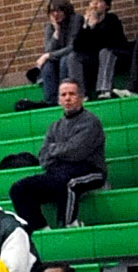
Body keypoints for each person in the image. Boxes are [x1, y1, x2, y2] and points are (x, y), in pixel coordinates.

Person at [8, 80, 106, 231]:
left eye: (72, 94)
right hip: (58, 173)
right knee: (18, 189)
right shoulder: (54, 127)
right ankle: (41, 229)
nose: (67, 98)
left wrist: (54, 149)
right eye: (63, 95)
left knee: (68, 182)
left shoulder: (91, 122)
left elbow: (77, 152)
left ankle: (69, 225)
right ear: (59, 100)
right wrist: (63, 150)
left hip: (90, 171)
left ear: (81, 97)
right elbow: (43, 158)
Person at [68, 0, 129, 101]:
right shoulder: (86, 23)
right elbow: (77, 47)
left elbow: (108, 43)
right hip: (95, 60)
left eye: (99, 0)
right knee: (73, 57)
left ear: (107, 6)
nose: (95, 4)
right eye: (92, 1)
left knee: (104, 52)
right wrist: (87, 27)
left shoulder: (112, 19)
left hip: (115, 57)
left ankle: (104, 90)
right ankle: (81, 94)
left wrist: (94, 27)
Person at [28, 0, 84, 106]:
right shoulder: (50, 27)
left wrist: (49, 55)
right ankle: (52, 100)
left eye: (58, 11)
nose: (55, 14)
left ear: (65, 10)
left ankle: (64, 94)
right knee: (47, 65)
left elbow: (72, 47)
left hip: (75, 57)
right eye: (52, 11)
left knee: (64, 60)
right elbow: (48, 50)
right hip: (58, 59)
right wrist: (56, 33)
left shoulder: (75, 20)